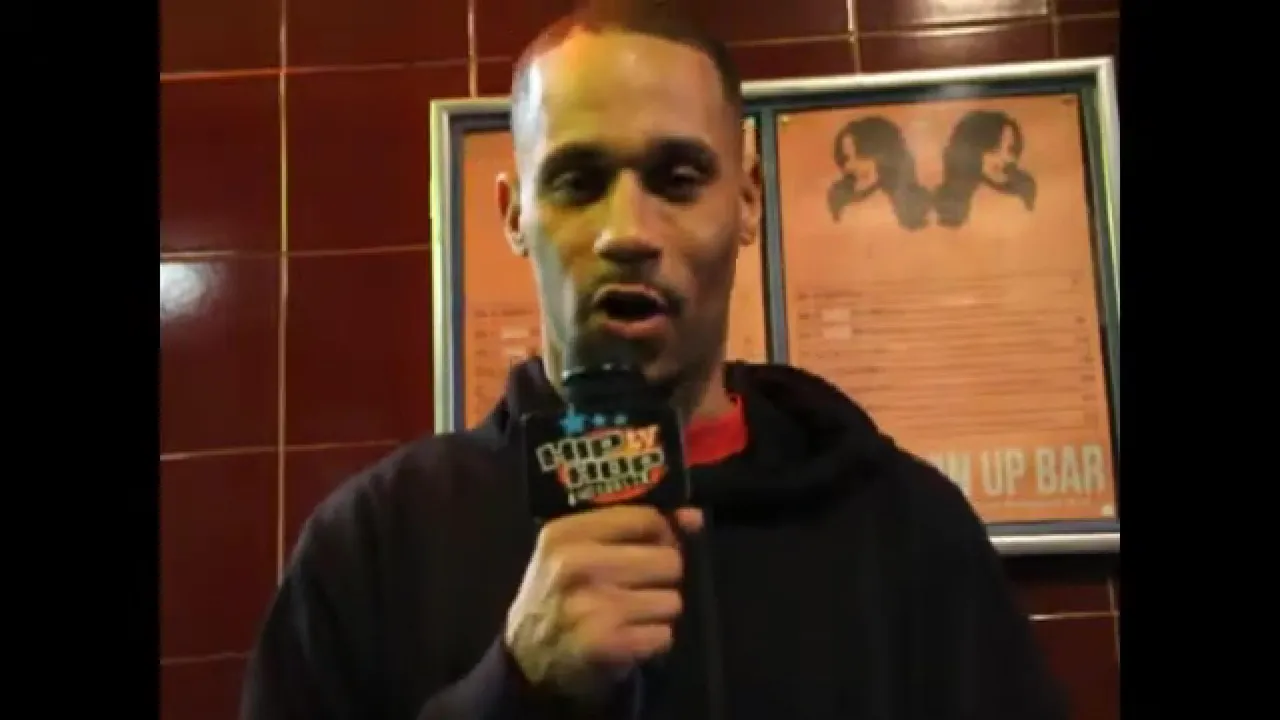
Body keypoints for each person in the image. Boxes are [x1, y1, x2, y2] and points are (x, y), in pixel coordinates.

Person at [240, 4, 1068, 719]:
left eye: (677, 178)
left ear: (747, 198)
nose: (627, 232)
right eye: (577, 181)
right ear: (515, 214)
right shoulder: (375, 547)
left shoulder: (907, 532)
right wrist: (514, 687)